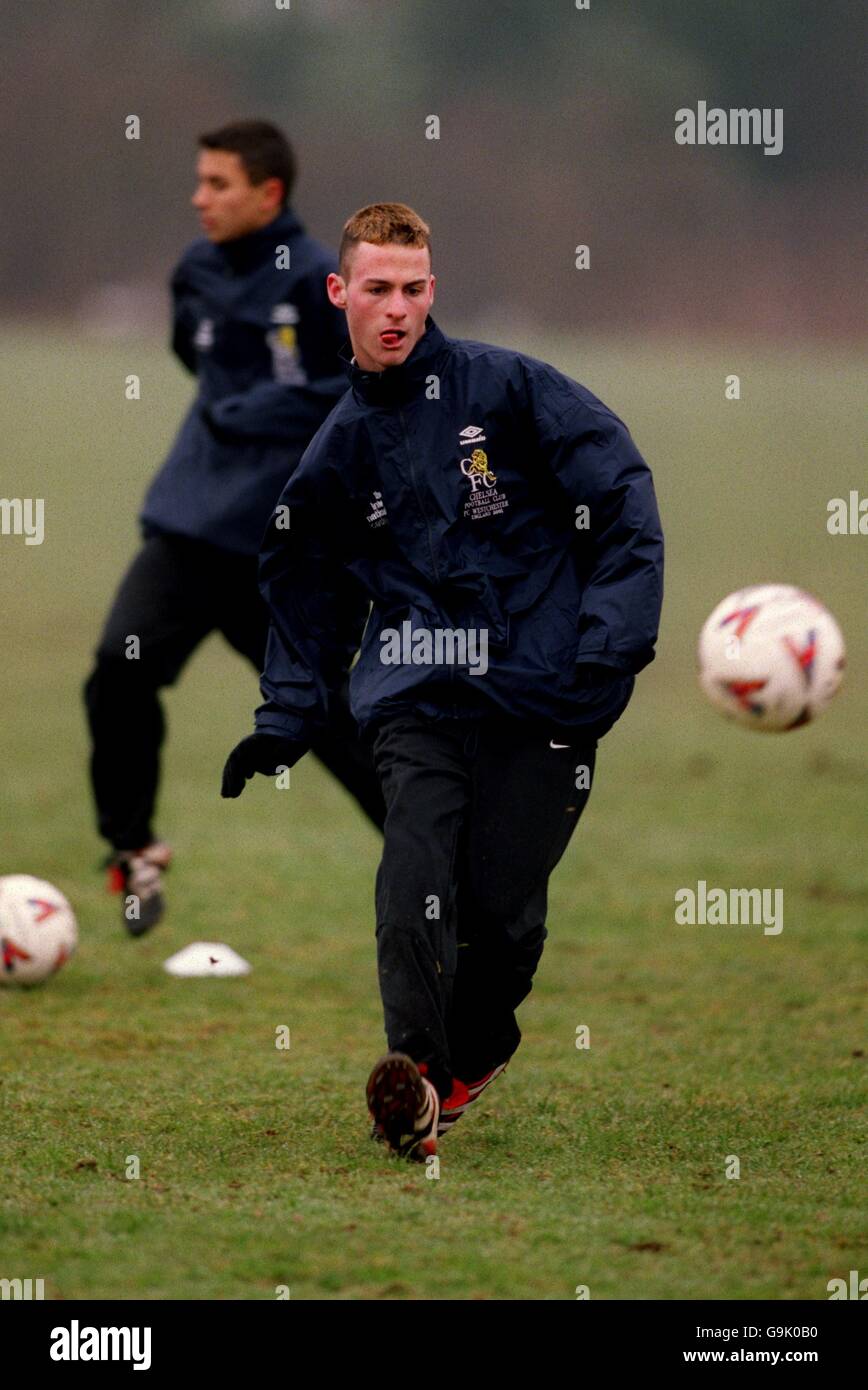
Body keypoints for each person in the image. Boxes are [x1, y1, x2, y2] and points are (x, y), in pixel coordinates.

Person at [222, 203, 664, 1161]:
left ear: (434, 290)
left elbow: (623, 497)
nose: (396, 310)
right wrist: (287, 711)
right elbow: (301, 583)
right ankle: (414, 1074)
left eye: (413, 289)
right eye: (376, 289)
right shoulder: (337, 450)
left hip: (545, 694)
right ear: (339, 293)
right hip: (415, 693)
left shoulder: (510, 390)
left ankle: (470, 1059)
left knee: (501, 918)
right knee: (414, 874)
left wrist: (607, 650)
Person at [84, 121, 386, 935]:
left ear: (269, 193)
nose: (200, 198)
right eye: (199, 181)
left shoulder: (325, 277)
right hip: (190, 527)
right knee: (119, 667)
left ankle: (443, 873)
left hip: (282, 550)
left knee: (330, 717)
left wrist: (264, 412)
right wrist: (237, 413)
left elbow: (358, 387)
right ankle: (133, 850)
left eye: (218, 184)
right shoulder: (195, 272)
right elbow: (200, 364)